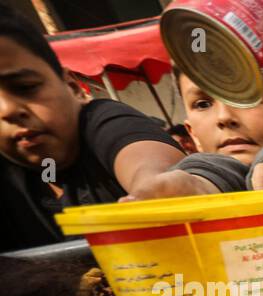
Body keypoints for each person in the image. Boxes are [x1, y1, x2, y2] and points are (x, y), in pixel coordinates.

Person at [0, 8, 214, 252]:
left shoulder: (104, 121)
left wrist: (154, 187)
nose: (7, 110)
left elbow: (146, 162)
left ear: (73, 87)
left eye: (25, 87)